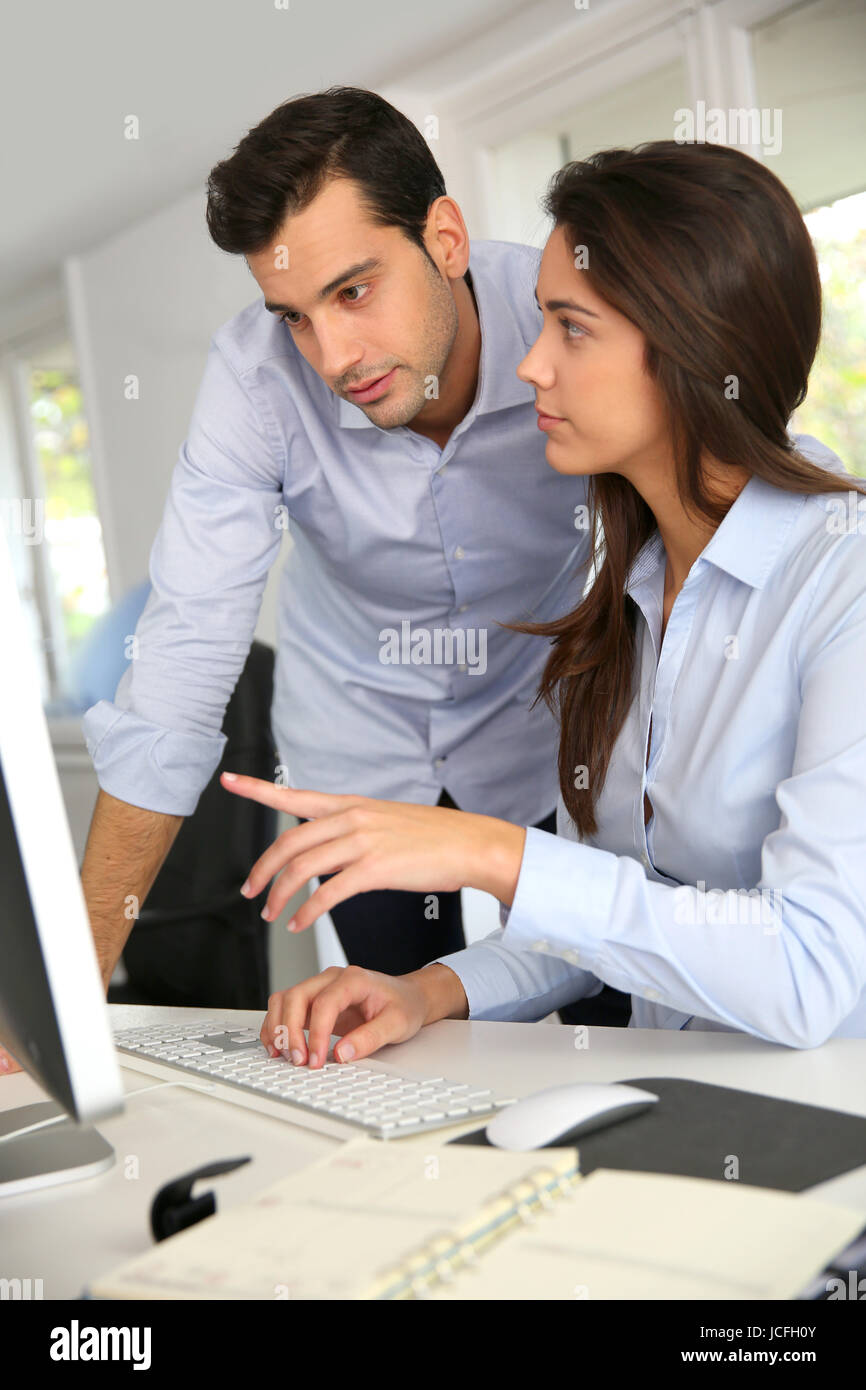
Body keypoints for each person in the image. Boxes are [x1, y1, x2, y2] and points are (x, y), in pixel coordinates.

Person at [222, 140, 866, 1068]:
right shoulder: (632, 586)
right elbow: (617, 907)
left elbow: (810, 971)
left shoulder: (840, 579)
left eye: (570, 327)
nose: (529, 367)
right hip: (668, 1110)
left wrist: (492, 854)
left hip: (815, 1147)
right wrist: (426, 992)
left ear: (692, 345)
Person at [71, 87, 629, 1024]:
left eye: (354, 291)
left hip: (544, 731)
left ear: (444, 238)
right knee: (400, 1030)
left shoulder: (558, 330)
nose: (331, 354)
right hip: (357, 742)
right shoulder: (254, 381)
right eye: (293, 313)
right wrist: (81, 976)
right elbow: (179, 662)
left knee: (593, 1010)